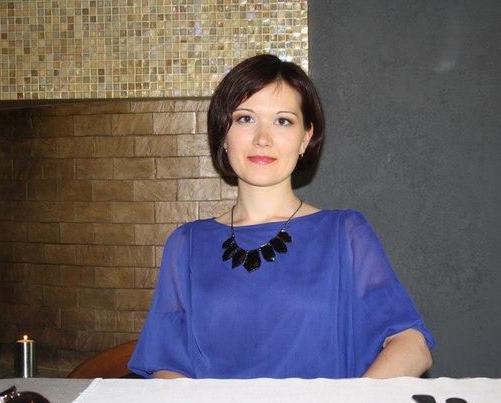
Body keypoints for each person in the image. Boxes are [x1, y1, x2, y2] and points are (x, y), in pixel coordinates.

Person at [128, 54, 434, 379]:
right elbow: (164, 365)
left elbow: (412, 345)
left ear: (305, 138)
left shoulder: (345, 233)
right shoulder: (186, 244)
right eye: (246, 118)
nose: (263, 138)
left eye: (283, 121)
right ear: (223, 135)